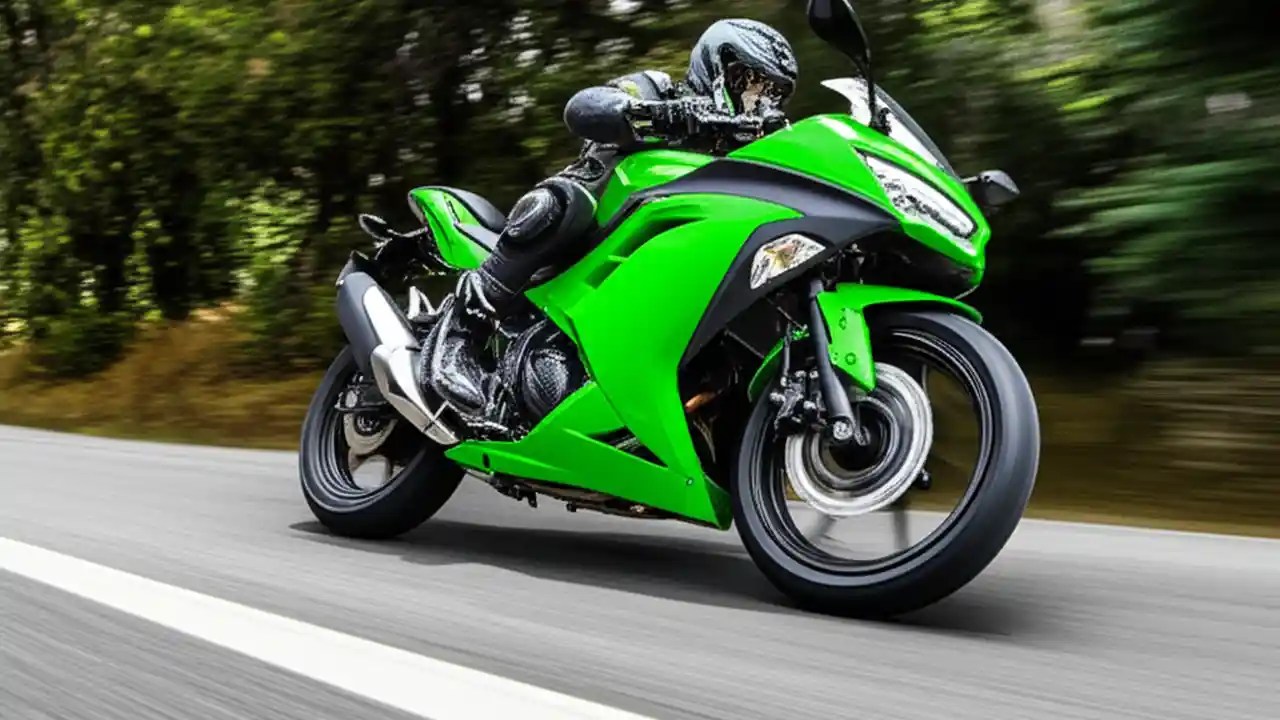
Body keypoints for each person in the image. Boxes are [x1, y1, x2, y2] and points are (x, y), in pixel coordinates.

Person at [421, 18, 800, 429]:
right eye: (749, 83)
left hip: (663, 270)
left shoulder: (746, 162)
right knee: (564, 203)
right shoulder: (658, 89)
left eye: (768, 94)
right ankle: (461, 331)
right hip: (592, 235)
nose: (755, 101)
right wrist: (672, 116)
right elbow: (585, 107)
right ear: (718, 66)